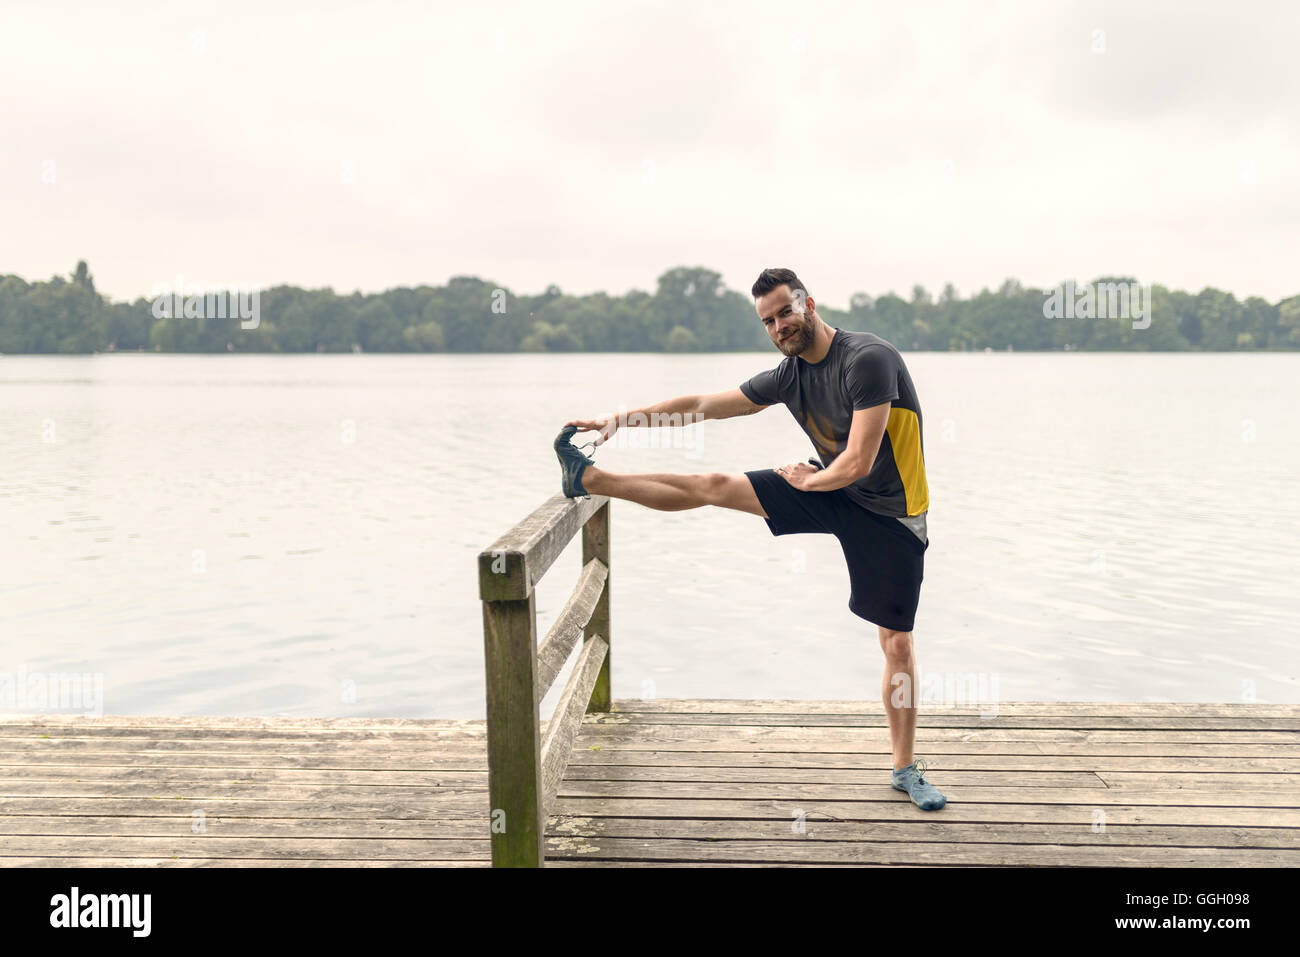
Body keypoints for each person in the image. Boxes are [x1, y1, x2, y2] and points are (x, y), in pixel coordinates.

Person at [556, 267, 945, 811]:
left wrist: (811, 479)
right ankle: (591, 479)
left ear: (810, 304)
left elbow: (857, 460)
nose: (779, 326)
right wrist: (622, 418)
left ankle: (904, 768)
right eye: (767, 320)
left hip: (891, 513)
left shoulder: (869, 360)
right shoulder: (788, 377)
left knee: (897, 643)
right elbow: (704, 405)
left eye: (785, 311)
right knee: (714, 485)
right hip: (825, 483)